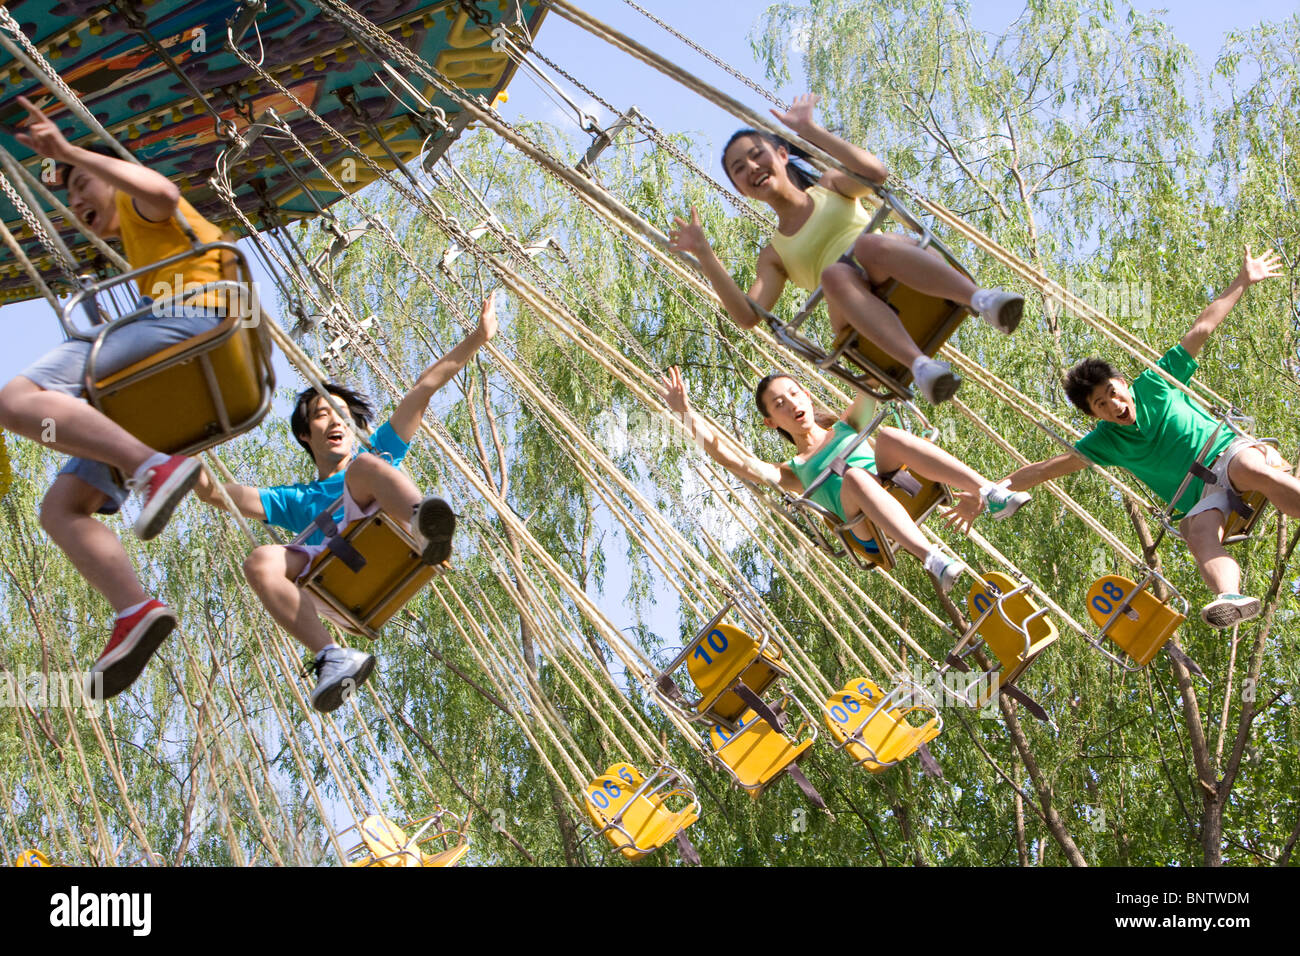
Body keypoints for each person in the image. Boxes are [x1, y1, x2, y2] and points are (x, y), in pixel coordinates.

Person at [0, 95, 237, 699]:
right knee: (60, 507)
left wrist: (71, 152)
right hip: (172, 368)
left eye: (83, 185)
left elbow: (159, 192)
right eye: (69, 194)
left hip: (193, 319)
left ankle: (149, 466)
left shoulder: (143, 209)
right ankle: (134, 608)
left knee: (16, 400)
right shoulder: (138, 250)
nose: (76, 201)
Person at [194, 295, 498, 712]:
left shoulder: (375, 458)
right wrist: (176, 451)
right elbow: (217, 493)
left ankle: (423, 525)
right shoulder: (297, 500)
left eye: (342, 414)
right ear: (306, 435)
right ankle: (331, 657)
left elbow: (423, 389)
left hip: (385, 528)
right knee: (260, 561)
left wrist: (477, 338)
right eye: (322, 415)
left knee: (364, 468)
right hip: (331, 567)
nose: (336, 421)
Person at [667, 93, 1023, 404]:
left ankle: (982, 300)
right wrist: (705, 255)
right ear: (742, 191)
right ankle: (921, 367)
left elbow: (876, 174)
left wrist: (811, 132)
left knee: (865, 245)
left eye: (758, 155)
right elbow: (749, 316)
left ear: (781, 154)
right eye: (739, 169)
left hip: (894, 265)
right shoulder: (774, 254)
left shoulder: (830, 186)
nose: (753, 168)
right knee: (836, 273)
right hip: (851, 309)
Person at [1002, 247, 1288, 628]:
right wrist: (993, 488)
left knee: (1255, 469)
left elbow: (1202, 328)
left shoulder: (1156, 383)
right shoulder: (1104, 441)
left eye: (1113, 393)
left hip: (1224, 453)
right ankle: (1230, 595)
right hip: (1198, 495)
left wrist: (1243, 280)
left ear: (1123, 384)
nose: (1114, 406)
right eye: (1101, 405)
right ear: (1093, 415)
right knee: (1200, 537)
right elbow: (1044, 470)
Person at [657, 366, 1030, 593]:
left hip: (900, 490)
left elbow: (870, 383)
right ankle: (931, 558)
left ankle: (988, 490)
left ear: (806, 393)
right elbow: (734, 459)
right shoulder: (793, 470)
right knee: (852, 477)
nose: (789, 403)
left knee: (887, 438)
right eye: (778, 404)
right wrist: (686, 414)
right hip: (865, 531)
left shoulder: (845, 425)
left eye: (791, 393)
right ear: (772, 422)